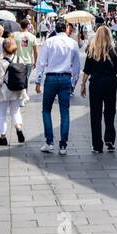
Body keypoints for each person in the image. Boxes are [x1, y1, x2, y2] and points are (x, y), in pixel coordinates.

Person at [33, 17, 80, 155]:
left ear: (55, 28)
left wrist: (38, 81)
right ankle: (63, 145)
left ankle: (49, 142)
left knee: (46, 110)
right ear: (66, 28)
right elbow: (76, 65)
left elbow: (41, 63)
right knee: (64, 112)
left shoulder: (49, 42)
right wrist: (74, 82)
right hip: (66, 78)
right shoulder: (73, 43)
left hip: (51, 78)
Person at [79, 26, 117, 154]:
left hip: (96, 84)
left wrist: (82, 84)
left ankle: (97, 145)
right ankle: (109, 139)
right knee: (110, 112)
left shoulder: (92, 50)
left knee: (95, 114)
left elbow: (87, 70)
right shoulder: (113, 50)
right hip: (110, 83)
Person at [0, 33, 26, 146]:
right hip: (17, 91)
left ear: (4, 48)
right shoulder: (19, 59)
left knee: (1, 113)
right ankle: (18, 127)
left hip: (4, 92)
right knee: (15, 111)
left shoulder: (1, 62)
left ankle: (3, 137)